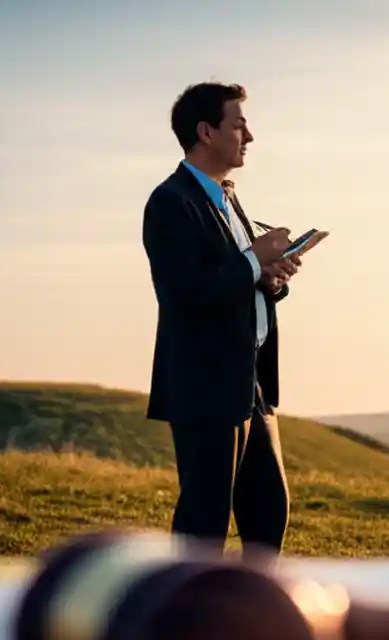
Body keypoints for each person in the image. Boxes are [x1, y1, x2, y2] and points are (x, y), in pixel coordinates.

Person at [141, 81, 321, 556]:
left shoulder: (228, 197)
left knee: (269, 511)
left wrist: (269, 279)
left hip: (251, 383)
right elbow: (185, 293)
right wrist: (252, 259)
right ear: (206, 131)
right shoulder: (170, 202)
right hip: (205, 386)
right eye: (239, 124)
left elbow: (231, 282)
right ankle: (191, 620)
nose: (250, 136)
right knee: (204, 523)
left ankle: (256, 619)